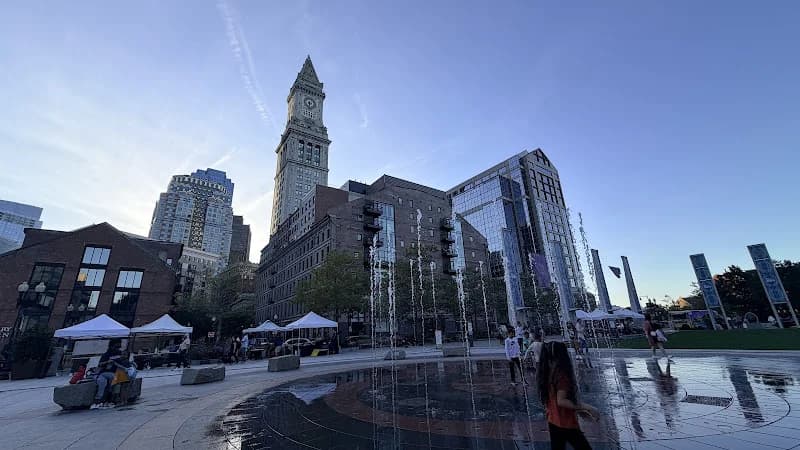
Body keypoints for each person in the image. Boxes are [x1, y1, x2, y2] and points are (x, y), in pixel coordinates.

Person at [538, 341, 598, 450]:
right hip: (565, 422)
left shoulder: (547, 372)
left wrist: (578, 411)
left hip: (553, 420)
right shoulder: (561, 375)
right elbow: (561, 401)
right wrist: (588, 407)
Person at [91, 339, 122, 409]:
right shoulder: (106, 354)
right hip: (104, 373)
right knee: (102, 382)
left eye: (118, 347)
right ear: (111, 346)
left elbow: (123, 362)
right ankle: (99, 401)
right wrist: (107, 362)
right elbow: (100, 364)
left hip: (115, 373)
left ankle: (106, 400)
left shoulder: (120, 353)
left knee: (113, 382)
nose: (117, 348)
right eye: (116, 347)